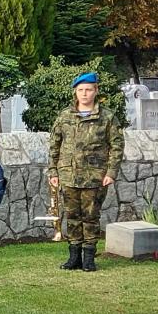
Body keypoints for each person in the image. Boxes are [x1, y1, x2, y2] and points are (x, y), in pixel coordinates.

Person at [49, 72, 124, 272]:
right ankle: (74, 257)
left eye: (88, 89)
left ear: (96, 91)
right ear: (75, 92)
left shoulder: (107, 117)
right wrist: (53, 172)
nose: (84, 94)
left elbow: (117, 146)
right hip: (69, 175)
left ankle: (89, 257)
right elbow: (55, 145)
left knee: (91, 216)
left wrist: (111, 172)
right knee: (72, 216)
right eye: (80, 90)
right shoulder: (65, 116)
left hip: (95, 176)